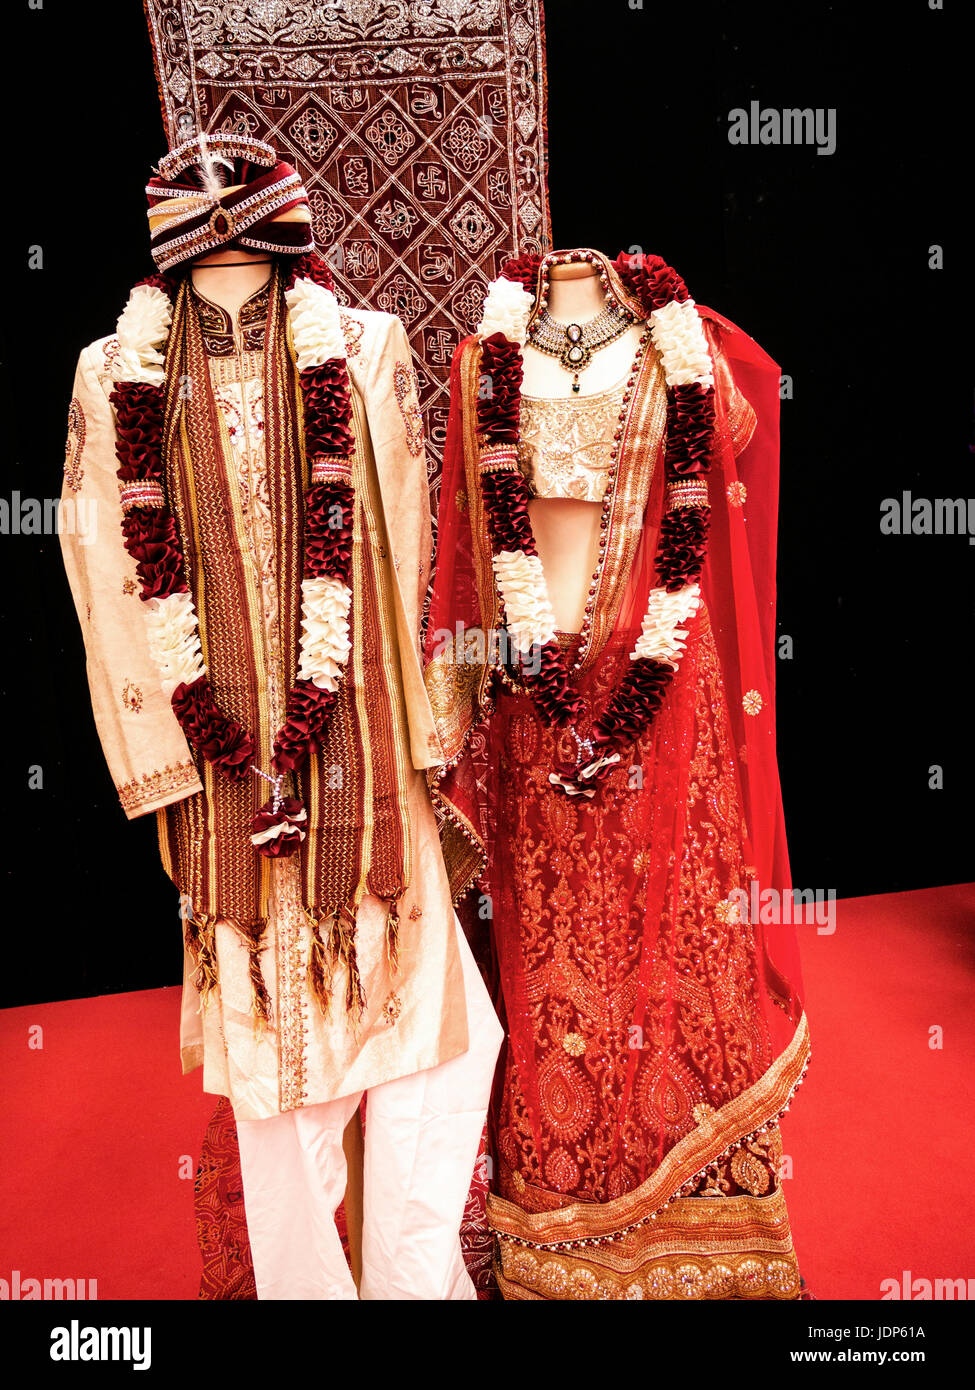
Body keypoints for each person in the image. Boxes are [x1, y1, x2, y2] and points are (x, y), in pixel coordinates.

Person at [59, 133, 502, 1300]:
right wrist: (161, 756)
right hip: (217, 774)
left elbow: (412, 554)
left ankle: (415, 1286)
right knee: (275, 1084)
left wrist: (433, 736)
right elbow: (107, 569)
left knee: (438, 1048)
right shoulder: (114, 374)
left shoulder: (364, 348)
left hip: (368, 756)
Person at [425, 246, 809, 1300]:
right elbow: (463, 547)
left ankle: (713, 1233)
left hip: (667, 693)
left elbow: (748, 418)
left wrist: (682, 320)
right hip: (529, 702)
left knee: (684, 949)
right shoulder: (479, 364)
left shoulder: (684, 352)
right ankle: (559, 1245)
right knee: (553, 967)